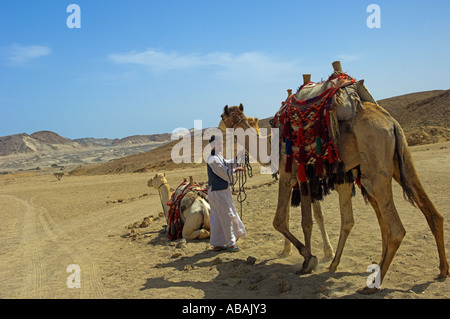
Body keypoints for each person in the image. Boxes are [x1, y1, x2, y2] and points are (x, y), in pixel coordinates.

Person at [207, 135, 246, 252]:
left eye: (221, 144)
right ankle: (230, 244)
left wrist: (237, 157)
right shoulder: (212, 159)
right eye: (219, 144)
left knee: (217, 218)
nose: (221, 146)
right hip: (218, 192)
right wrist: (236, 169)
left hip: (220, 190)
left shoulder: (217, 156)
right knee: (227, 215)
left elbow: (226, 164)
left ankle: (217, 243)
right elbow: (223, 171)